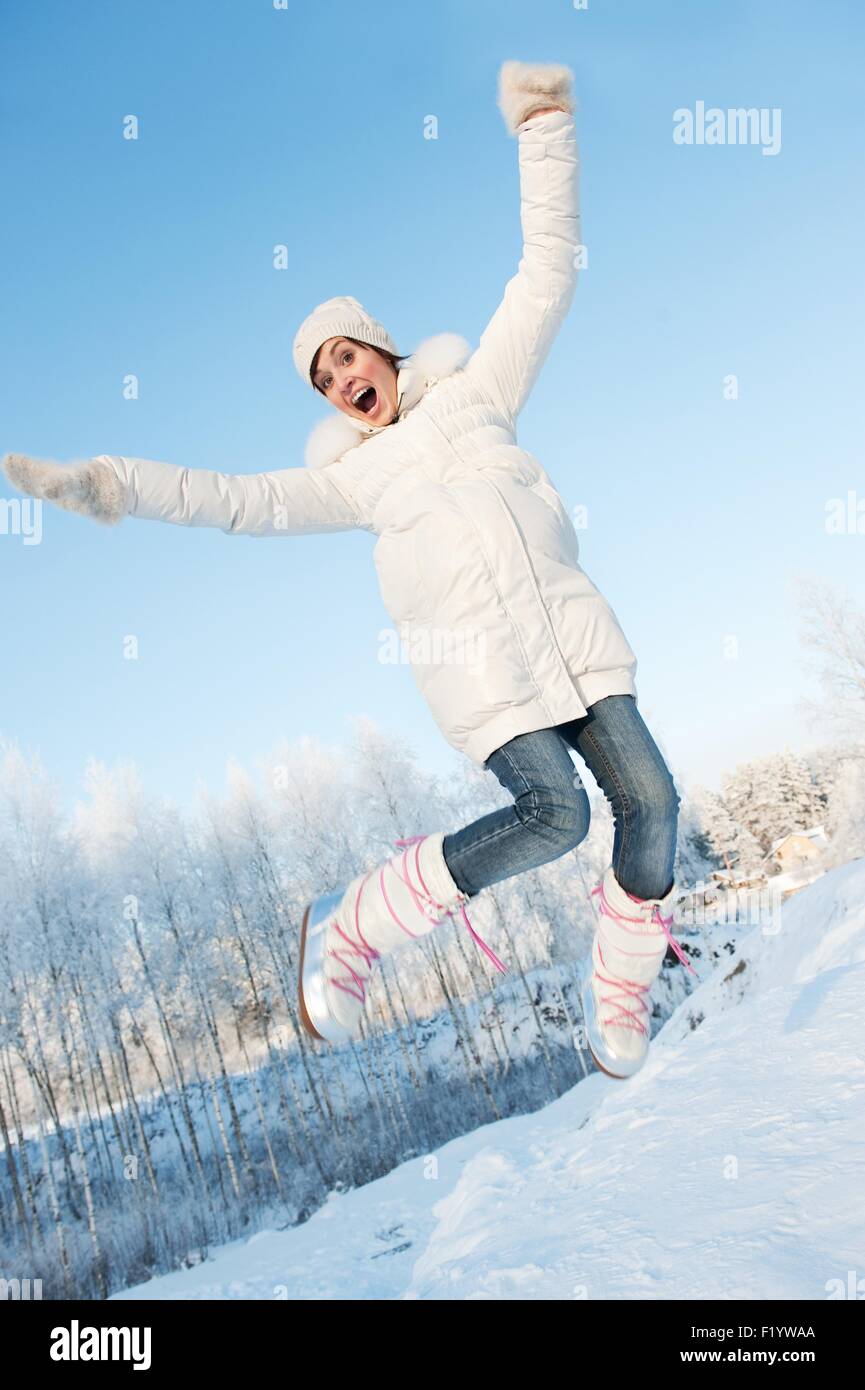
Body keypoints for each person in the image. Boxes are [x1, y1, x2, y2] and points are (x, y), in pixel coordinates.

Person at [3, 60, 696, 1081]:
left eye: (346, 358)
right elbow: (229, 498)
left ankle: (622, 977)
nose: (341, 383)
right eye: (323, 381)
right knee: (559, 815)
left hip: (573, 636)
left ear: (379, 346)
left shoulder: (478, 390)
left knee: (655, 805)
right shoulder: (350, 481)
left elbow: (546, 269)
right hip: (487, 674)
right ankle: (358, 921)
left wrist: (543, 123)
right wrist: (107, 482)